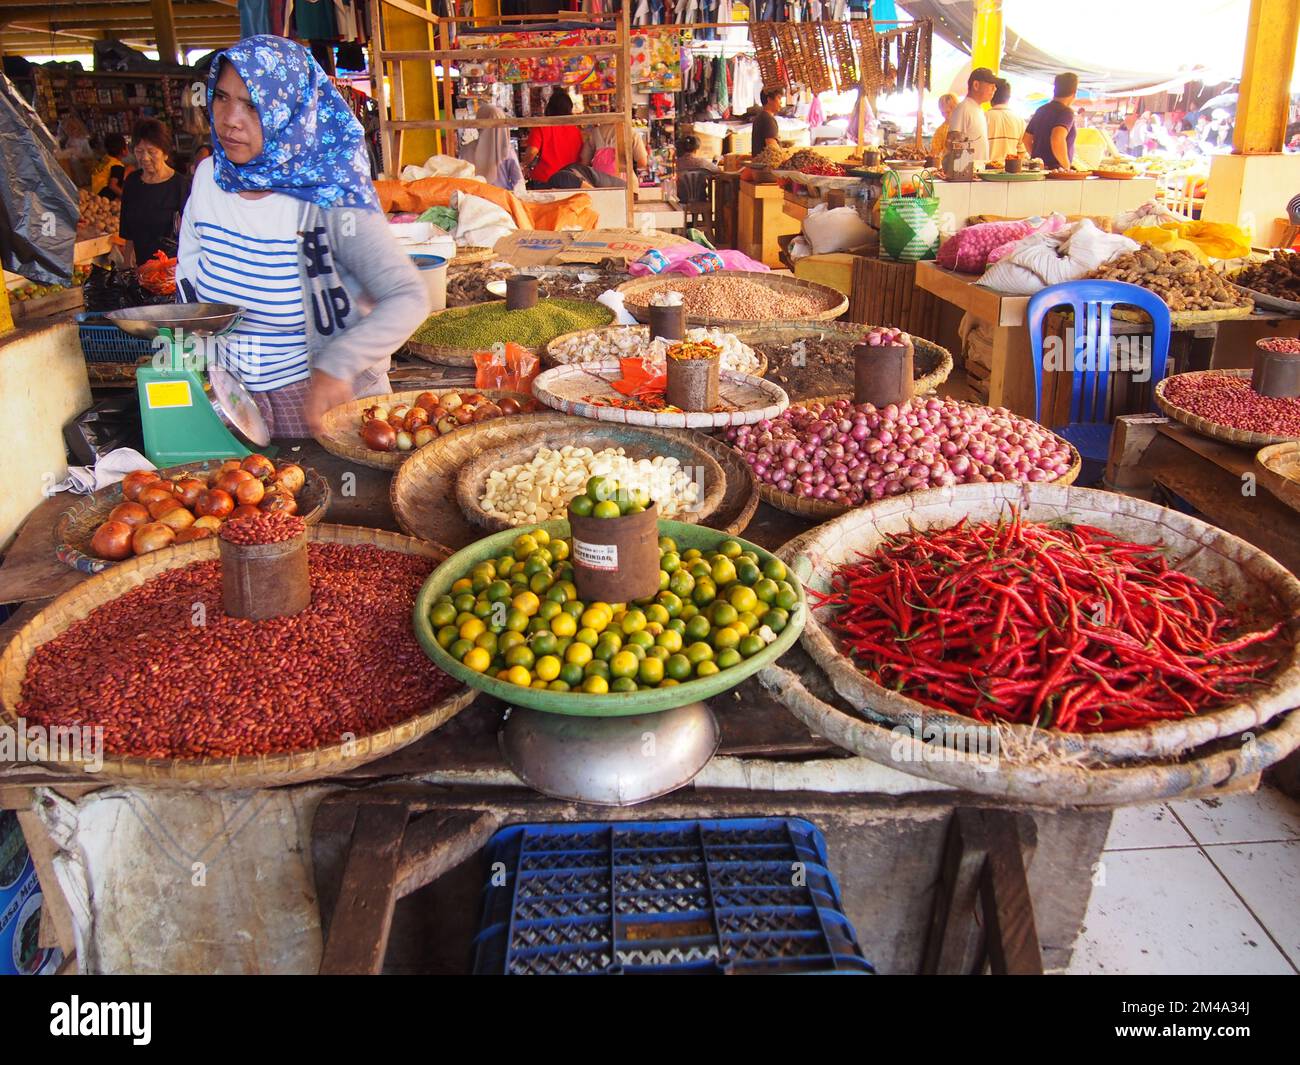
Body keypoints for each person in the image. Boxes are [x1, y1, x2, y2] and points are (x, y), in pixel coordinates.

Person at [176, 35, 428, 437]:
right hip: (232, 403)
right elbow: (189, 274)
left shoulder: (328, 196)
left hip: (319, 405)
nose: (229, 119)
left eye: (253, 105)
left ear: (291, 110)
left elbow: (408, 298)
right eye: (221, 98)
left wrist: (338, 364)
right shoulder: (209, 178)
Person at [119, 118, 189, 267]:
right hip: (142, 268)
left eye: (151, 152)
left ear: (165, 153)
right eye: (139, 151)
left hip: (170, 270)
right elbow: (127, 229)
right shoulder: (132, 182)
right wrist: (127, 263)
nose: (144, 158)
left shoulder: (180, 185)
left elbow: (191, 234)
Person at [522, 91, 583, 188]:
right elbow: (581, 156)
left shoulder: (542, 126)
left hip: (545, 180)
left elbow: (532, 152)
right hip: (570, 180)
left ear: (550, 107)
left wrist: (523, 165)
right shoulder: (576, 130)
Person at [461, 104, 525, 193]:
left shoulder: (466, 150)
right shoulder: (507, 151)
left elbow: (460, 181)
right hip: (501, 202)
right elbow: (519, 183)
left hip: (473, 201)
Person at [1023, 72, 1078, 171]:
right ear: (1074, 93)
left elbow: (1026, 138)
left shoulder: (1041, 110)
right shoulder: (1066, 112)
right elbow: (1057, 137)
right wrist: (1066, 166)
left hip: (1038, 170)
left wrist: (1038, 159)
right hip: (1056, 171)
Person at [946, 68, 999, 163]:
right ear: (976, 85)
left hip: (978, 172)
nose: (994, 89)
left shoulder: (979, 109)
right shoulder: (963, 108)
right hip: (967, 174)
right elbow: (953, 143)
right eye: (991, 85)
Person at [985, 79, 1026, 163]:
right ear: (1009, 97)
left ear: (991, 95)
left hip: (986, 172)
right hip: (1011, 173)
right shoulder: (1019, 120)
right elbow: (1021, 153)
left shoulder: (983, 118)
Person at [91, 132, 132, 201]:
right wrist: (126, 197)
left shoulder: (106, 158)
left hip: (95, 191)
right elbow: (112, 186)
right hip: (104, 195)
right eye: (126, 146)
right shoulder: (117, 166)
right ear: (123, 151)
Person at [751, 87, 784, 156]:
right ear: (769, 100)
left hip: (758, 162)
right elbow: (772, 147)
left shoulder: (760, 116)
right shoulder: (768, 119)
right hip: (766, 165)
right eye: (779, 98)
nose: (781, 102)